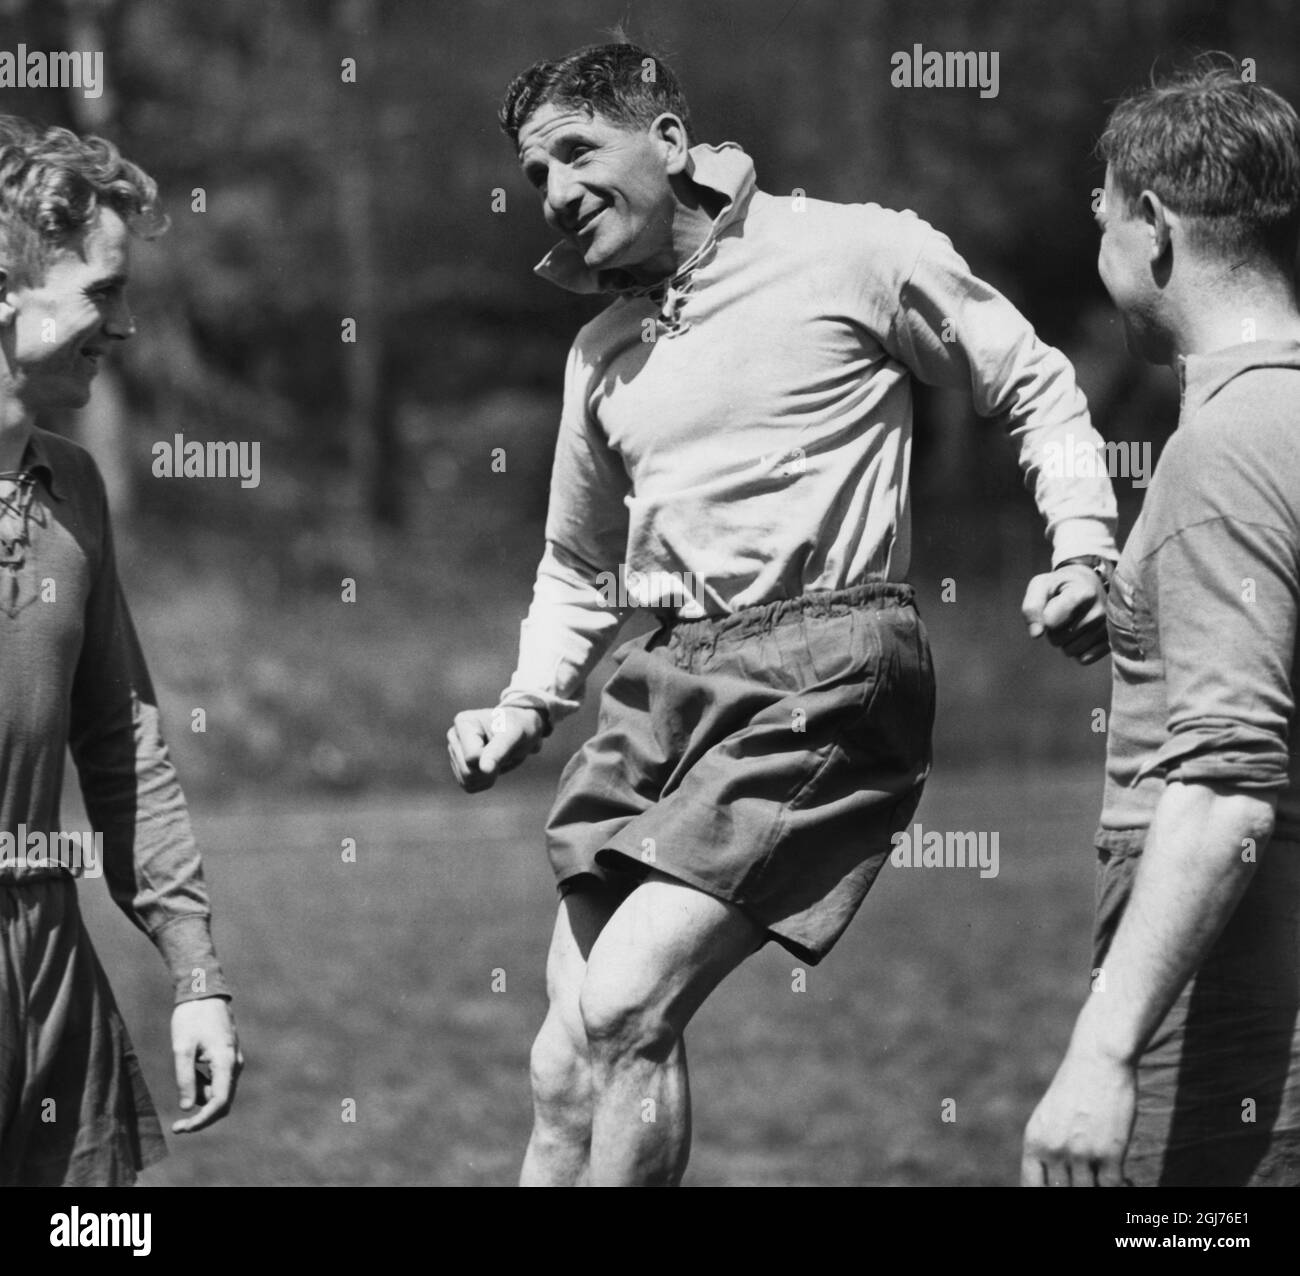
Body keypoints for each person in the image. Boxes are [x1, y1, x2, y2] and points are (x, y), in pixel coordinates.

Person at [447, 42, 1118, 1187]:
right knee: (564, 1057)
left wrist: (1085, 544)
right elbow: (576, 560)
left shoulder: (854, 248)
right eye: (533, 172)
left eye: (575, 152)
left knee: (621, 1004)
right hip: (661, 685)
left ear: (667, 144)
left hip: (825, 664)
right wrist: (526, 702)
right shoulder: (599, 349)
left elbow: (1032, 381)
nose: (553, 193)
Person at [1022, 59, 1300, 1187]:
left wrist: (1101, 1048)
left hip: (1238, 1012)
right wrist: (1142, 609)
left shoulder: (1221, 447)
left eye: (1100, 218)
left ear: (1151, 222)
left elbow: (1231, 774)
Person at [0, 116, 242, 1186]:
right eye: (102, 292)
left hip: (48, 957)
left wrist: (196, 975)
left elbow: (121, 743)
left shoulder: (77, 490)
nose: (128, 326)